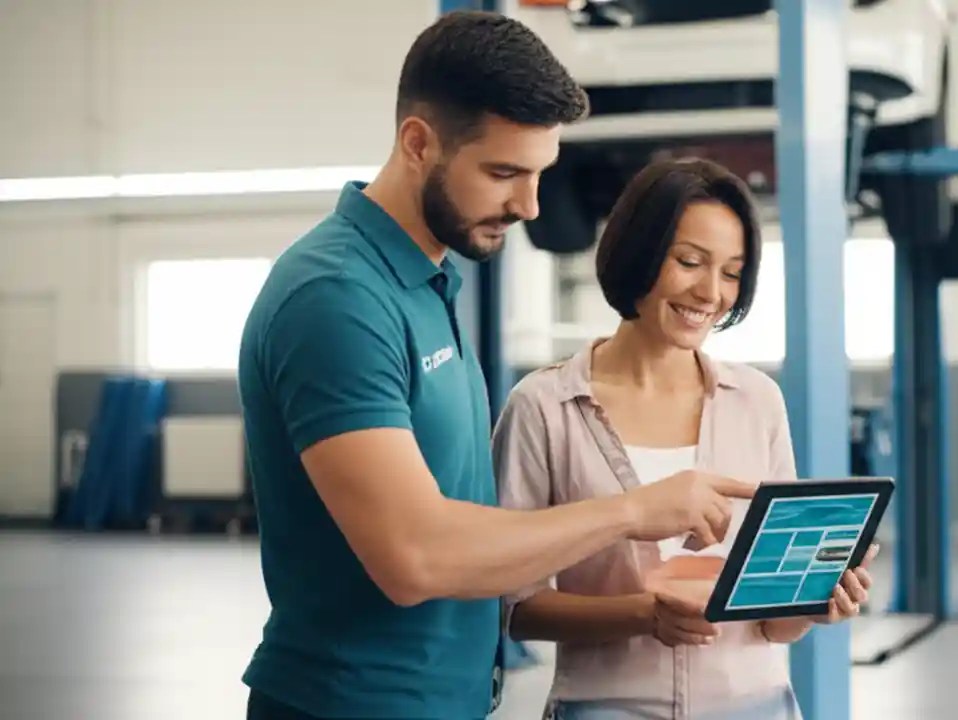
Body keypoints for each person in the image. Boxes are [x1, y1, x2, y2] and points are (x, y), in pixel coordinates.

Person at [236, 12, 756, 720]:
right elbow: (415, 557)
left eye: (541, 173)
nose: (530, 204)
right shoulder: (337, 298)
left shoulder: (426, 283)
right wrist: (634, 511)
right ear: (418, 143)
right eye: (504, 172)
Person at [493, 157, 879, 720]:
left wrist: (816, 602)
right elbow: (518, 608)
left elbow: (774, 624)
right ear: (638, 252)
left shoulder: (756, 402)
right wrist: (643, 614)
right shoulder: (545, 406)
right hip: (608, 708)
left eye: (731, 272)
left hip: (757, 706)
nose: (710, 292)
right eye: (689, 262)